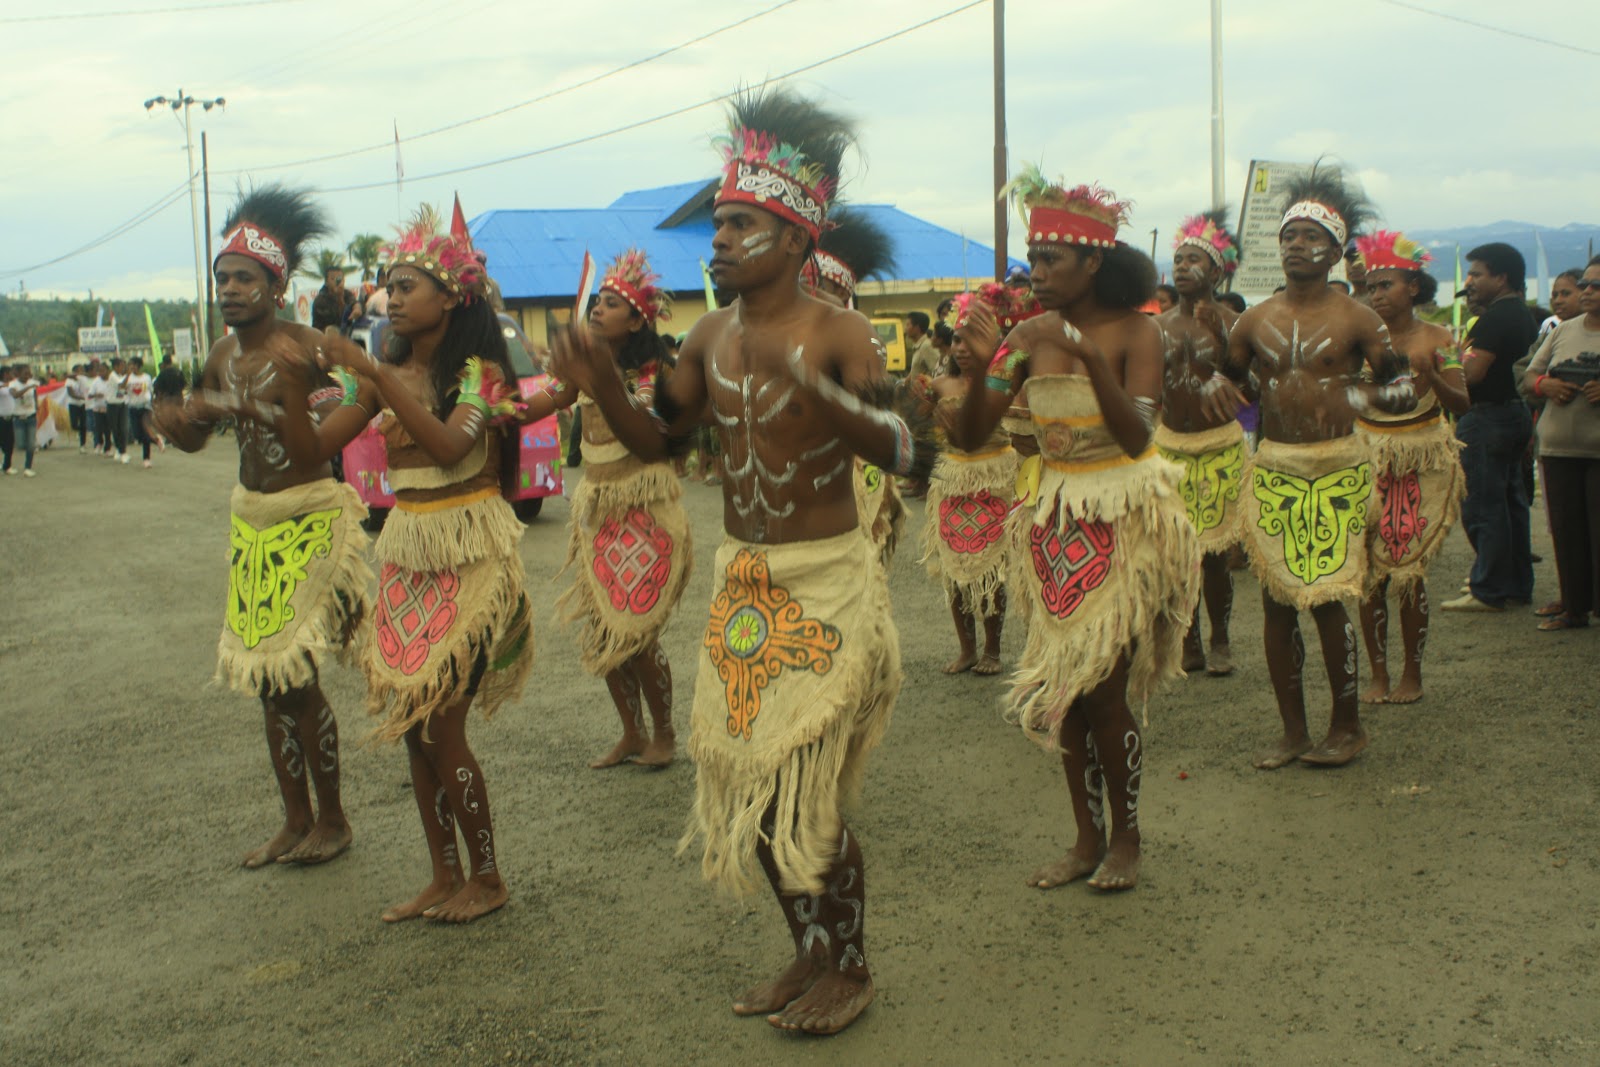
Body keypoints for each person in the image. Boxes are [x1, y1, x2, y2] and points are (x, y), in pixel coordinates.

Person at [549, 87, 910, 1035]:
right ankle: (809, 951)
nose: (718, 239)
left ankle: (851, 966)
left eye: (739, 223)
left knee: (804, 786)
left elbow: (904, 449)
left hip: (825, 578)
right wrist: (600, 383)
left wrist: (824, 395)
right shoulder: (709, 336)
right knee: (747, 782)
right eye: (718, 223)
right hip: (744, 582)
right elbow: (659, 440)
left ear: (793, 236)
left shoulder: (840, 333)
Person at [951, 167, 1199, 892]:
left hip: (1121, 514)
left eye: (1052, 258)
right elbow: (969, 435)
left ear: (1093, 263)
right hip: (1053, 518)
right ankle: (1085, 838)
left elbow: (1138, 436)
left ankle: (1127, 837)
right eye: (1033, 258)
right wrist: (989, 363)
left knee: (1105, 688)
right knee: (1066, 687)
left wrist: (1085, 352)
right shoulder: (1026, 337)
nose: (1038, 271)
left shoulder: (1137, 331)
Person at [316, 206, 533, 924]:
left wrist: (375, 375)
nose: (393, 296)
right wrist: (276, 398)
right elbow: (316, 444)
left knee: (444, 726)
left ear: (451, 296)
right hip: (409, 562)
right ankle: (444, 875)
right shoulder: (386, 375)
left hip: (470, 564)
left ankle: (488, 877)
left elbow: (447, 448)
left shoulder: (482, 375)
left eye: (408, 284)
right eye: (390, 285)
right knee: (415, 725)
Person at [149, 184, 373, 869]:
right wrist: (178, 423)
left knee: (296, 676)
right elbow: (200, 434)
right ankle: (295, 819)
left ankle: (333, 820)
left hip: (308, 519)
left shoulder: (305, 349)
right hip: (255, 526)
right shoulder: (222, 355)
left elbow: (335, 421)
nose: (230, 289)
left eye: (245, 278)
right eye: (223, 278)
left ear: (277, 285)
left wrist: (259, 410)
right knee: (268, 685)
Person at [1206, 166, 1416, 769]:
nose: (1296, 244)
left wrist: (1363, 397)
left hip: (1337, 469)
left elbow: (1404, 389)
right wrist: (1221, 391)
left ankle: (1347, 727)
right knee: (1276, 601)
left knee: (1326, 598)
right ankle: (1293, 731)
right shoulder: (1252, 320)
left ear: (1335, 250)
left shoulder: (1360, 319)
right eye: (1289, 235)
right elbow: (1232, 380)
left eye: (1311, 236)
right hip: (1275, 466)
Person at [525, 249, 692, 770]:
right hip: (598, 510)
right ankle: (632, 733)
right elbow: (543, 401)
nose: (598, 308)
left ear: (638, 320)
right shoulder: (583, 369)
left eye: (612, 303)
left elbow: (643, 417)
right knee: (603, 628)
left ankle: (664, 734)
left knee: (636, 631)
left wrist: (597, 376)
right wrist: (495, 407)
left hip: (642, 508)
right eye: (597, 301)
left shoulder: (653, 370)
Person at [1354, 231, 1468, 702]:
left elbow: (1463, 402)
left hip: (1422, 458)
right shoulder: (1359, 339)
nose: (1376, 295)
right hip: (1368, 456)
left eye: (1386, 285)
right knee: (1368, 573)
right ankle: (1378, 674)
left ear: (1414, 287)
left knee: (1408, 569)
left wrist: (1433, 375)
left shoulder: (1442, 338)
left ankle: (1412, 675)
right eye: (1371, 287)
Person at [915, 284, 1034, 675]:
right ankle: (966, 649)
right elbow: (917, 426)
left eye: (971, 340)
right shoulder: (940, 386)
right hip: (952, 482)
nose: (962, 348)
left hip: (995, 480)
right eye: (957, 340)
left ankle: (992, 651)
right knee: (954, 570)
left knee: (991, 568)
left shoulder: (1005, 384)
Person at [1156, 209, 1245, 676]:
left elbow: (1252, 384)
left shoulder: (1235, 322)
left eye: (1194, 260)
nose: (1183, 267)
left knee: (1213, 556)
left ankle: (1221, 639)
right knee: (1177, 553)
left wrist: (1221, 337)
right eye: (1178, 259)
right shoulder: (1158, 326)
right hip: (1170, 446)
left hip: (1219, 446)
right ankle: (1188, 639)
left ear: (1216, 271)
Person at [1444, 242, 1538, 612]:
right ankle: (1515, 584)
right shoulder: (1520, 313)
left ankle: (1488, 588)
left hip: (1487, 417)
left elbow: (1471, 374)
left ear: (1501, 277)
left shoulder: (1495, 319)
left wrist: (1444, 362)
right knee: (1511, 504)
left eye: (1476, 274)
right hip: (1513, 413)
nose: (1469, 282)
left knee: (1483, 505)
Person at [812, 204, 905, 568]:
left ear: (837, 286)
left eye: (812, 283)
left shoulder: (858, 335)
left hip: (850, 470)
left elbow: (871, 417)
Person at [1522, 256, 1600, 631]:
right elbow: (1528, 377)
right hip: (1557, 448)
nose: (1588, 291)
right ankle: (1573, 608)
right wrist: (1546, 385)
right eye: (1585, 284)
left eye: (1596, 286)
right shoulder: (1562, 330)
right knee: (1567, 534)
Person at [7, 364, 42, 477]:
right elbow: (15, 395)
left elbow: (34, 394)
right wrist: (28, 387)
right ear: (18, 374)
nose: (27, 376)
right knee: (21, 444)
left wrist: (36, 405)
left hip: (31, 417)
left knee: (31, 444)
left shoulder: (32, 383)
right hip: (18, 418)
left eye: (29, 373)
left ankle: (28, 467)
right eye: (25, 373)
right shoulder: (13, 384)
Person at [125, 357, 155, 467]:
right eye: (130, 365)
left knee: (145, 432)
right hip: (133, 407)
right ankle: (154, 439)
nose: (131, 367)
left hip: (145, 407)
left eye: (133, 364)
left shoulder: (146, 377)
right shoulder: (128, 378)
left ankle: (146, 458)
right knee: (137, 434)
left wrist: (152, 405)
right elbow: (121, 387)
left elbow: (150, 391)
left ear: (138, 365)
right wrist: (127, 376)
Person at [311, 263, 358, 333]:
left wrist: (357, 307)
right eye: (333, 279)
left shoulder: (347, 293)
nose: (337, 282)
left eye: (339, 278)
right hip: (324, 336)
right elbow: (337, 321)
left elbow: (354, 302)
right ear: (326, 282)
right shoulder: (320, 300)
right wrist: (340, 298)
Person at [105, 357, 129, 463]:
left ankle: (122, 451)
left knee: (123, 429)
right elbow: (121, 385)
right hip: (113, 405)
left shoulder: (120, 376)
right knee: (115, 429)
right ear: (115, 367)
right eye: (121, 366)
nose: (123, 368)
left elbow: (123, 390)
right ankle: (120, 449)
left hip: (122, 404)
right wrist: (128, 375)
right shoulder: (113, 376)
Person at [66, 363, 87, 451]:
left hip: (83, 404)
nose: (81, 371)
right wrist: (81, 397)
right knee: (74, 425)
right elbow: (71, 393)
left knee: (83, 424)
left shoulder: (84, 379)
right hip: (73, 404)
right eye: (80, 370)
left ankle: (82, 445)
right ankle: (80, 431)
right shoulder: (69, 380)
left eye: (82, 370)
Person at [0, 366, 14, 474]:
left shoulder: (12, 385)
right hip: (1, 418)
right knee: (2, 442)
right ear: (5, 373)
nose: (12, 375)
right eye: (10, 373)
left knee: (10, 442)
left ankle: (7, 466)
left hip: (10, 418)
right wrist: (4, 386)